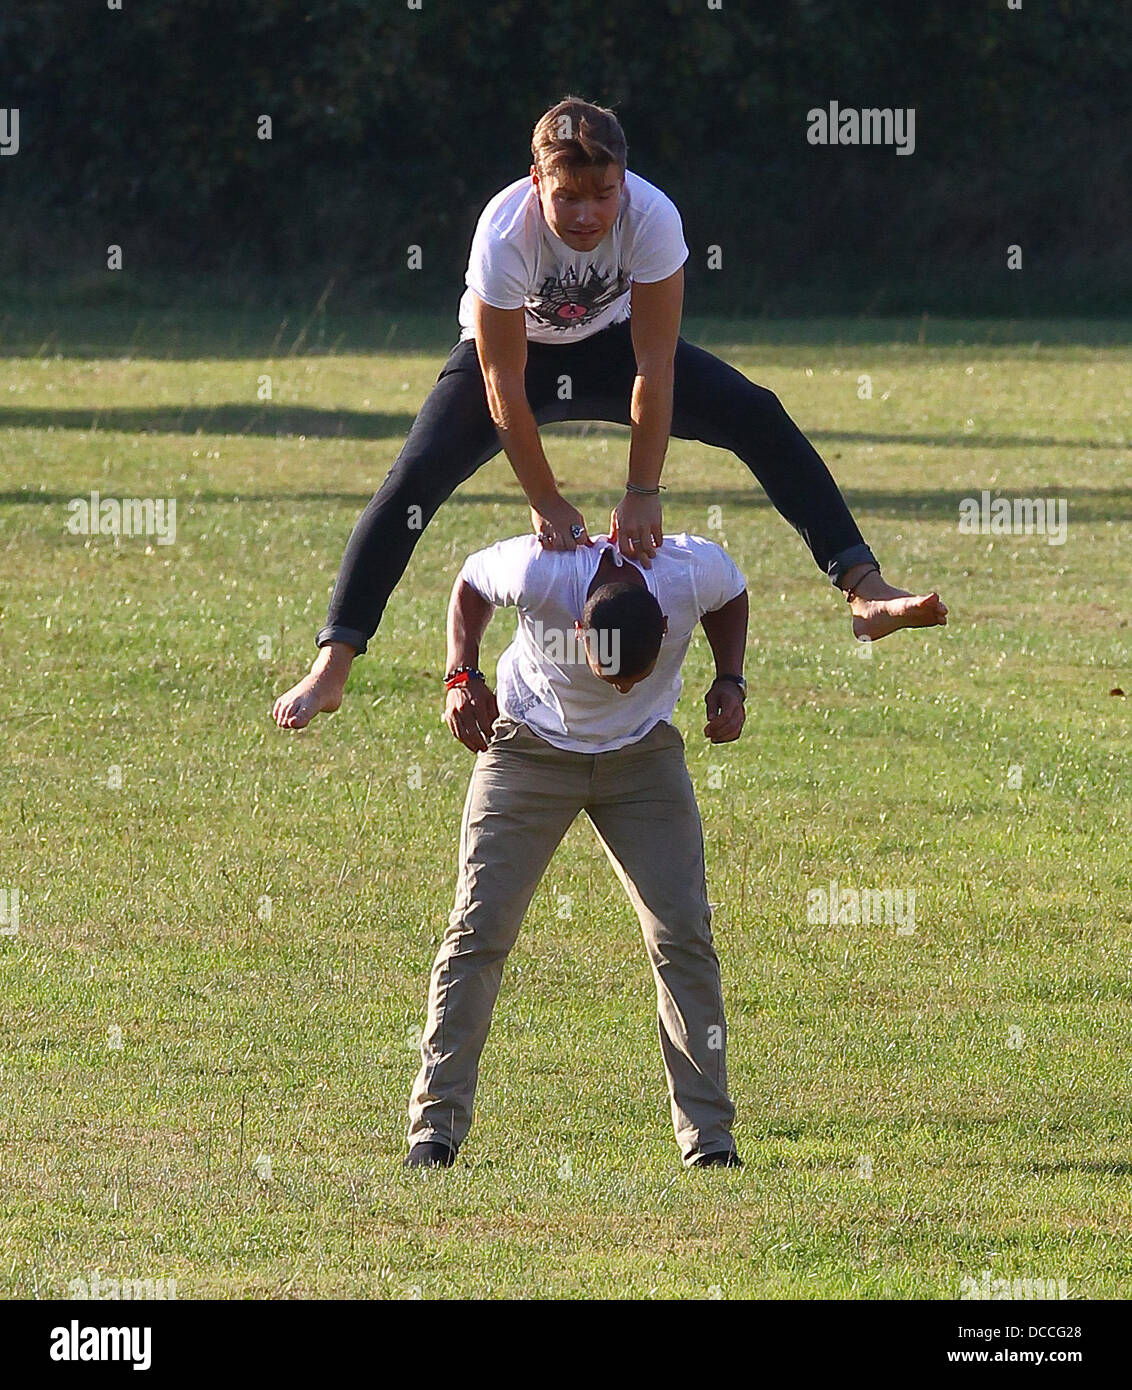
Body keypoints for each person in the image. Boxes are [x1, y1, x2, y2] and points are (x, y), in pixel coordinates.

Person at [272, 94, 946, 731]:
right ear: (537, 180)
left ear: (623, 180)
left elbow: (656, 364)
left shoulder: (653, 218)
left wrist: (641, 491)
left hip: (614, 349)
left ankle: (864, 587)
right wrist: (546, 499)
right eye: (569, 196)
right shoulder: (504, 233)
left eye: (604, 193)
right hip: (516, 356)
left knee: (757, 413)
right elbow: (502, 378)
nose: (589, 214)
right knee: (412, 480)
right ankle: (333, 665)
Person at [405, 529, 749, 1169]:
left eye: (635, 676)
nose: (619, 687)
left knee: (683, 935)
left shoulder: (689, 571)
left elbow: (732, 594)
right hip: (529, 749)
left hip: (643, 760)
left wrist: (731, 678)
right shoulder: (542, 572)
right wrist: (460, 673)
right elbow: (472, 582)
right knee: (477, 930)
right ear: (582, 633)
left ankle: (709, 1143)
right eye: (609, 673)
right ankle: (436, 1130)